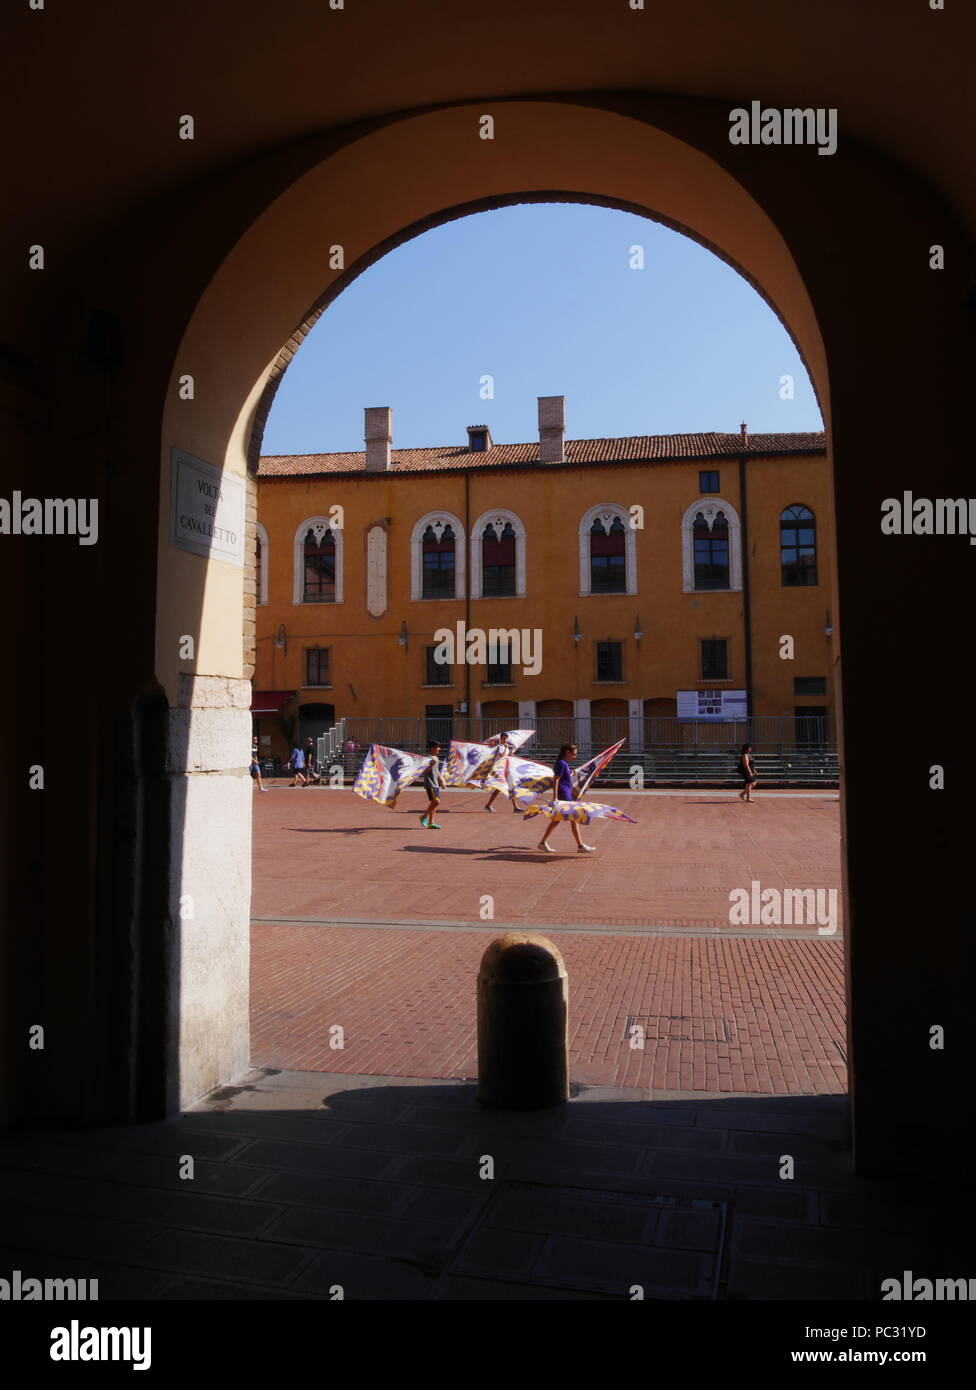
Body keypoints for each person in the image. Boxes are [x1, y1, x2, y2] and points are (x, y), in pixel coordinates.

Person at [538, 743, 595, 853]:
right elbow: (556, 779)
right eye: (573, 754)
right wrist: (555, 797)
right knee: (573, 818)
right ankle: (580, 845)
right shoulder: (562, 764)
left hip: (566, 793)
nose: (574, 756)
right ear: (567, 752)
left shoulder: (563, 764)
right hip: (564, 795)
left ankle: (543, 842)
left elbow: (565, 774)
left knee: (557, 820)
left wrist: (572, 772)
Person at [484, 733, 519, 813]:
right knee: (500, 788)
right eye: (503, 738)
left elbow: (508, 756)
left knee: (510, 786)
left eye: (506, 738)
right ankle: (488, 805)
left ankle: (515, 807)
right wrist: (507, 748)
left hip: (505, 769)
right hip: (499, 770)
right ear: (501, 739)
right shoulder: (500, 747)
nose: (505, 740)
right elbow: (501, 756)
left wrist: (511, 752)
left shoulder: (506, 747)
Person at [419, 740, 444, 829]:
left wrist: (441, 780)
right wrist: (430, 765)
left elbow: (437, 771)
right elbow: (424, 772)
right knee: (436, 802)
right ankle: (423, 817)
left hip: (435, 784)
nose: (439, 749)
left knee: (433, 803)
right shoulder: (428, 759)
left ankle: (431, 822)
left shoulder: (436, 758)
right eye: (437, 747)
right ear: (432, 748)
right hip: (430, 783)